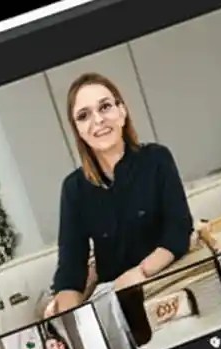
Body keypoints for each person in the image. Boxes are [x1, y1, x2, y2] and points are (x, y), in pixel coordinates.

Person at [48, 72, 193, 321]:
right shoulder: (73, 189)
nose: (97, 121)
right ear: (78, 131)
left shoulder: (157, 159)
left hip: (165, 275)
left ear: (122, 112)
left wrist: (141, 272)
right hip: (113, 297)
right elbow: (71, 268)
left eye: (105, 107)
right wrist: (69, 316)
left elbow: (179, 231)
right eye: (84, 116)